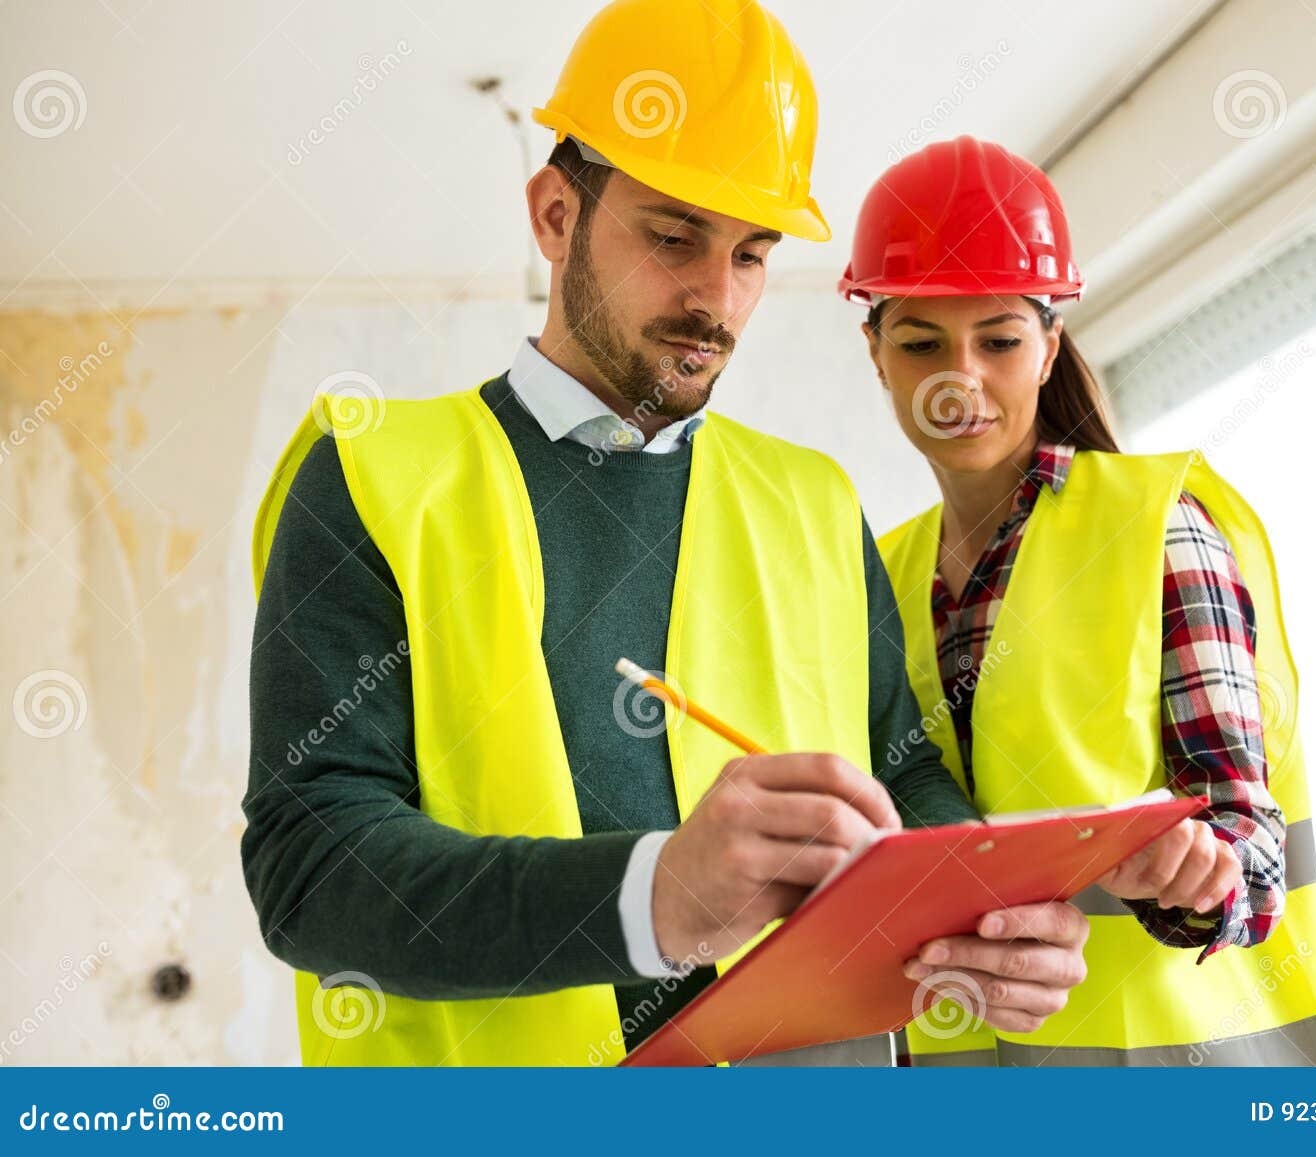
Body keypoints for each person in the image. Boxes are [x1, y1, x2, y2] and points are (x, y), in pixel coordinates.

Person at [242, 3, 1088, 1067]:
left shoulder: (813, 501)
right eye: (673, 234)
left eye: (749, 253)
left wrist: (977, 908)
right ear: (555, 213)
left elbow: (900, 768)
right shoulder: (373, 474)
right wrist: (652, 897)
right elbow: (311, 865)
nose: (714, 297)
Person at [843, 136, 1316, 1066]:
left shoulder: (1156, 529)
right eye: (921, 344)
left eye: (999, 340)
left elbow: (1252, 844)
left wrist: (1200, 874)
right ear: (875, 354)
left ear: (1048, 347)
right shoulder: (877, 572)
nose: (962, 379)